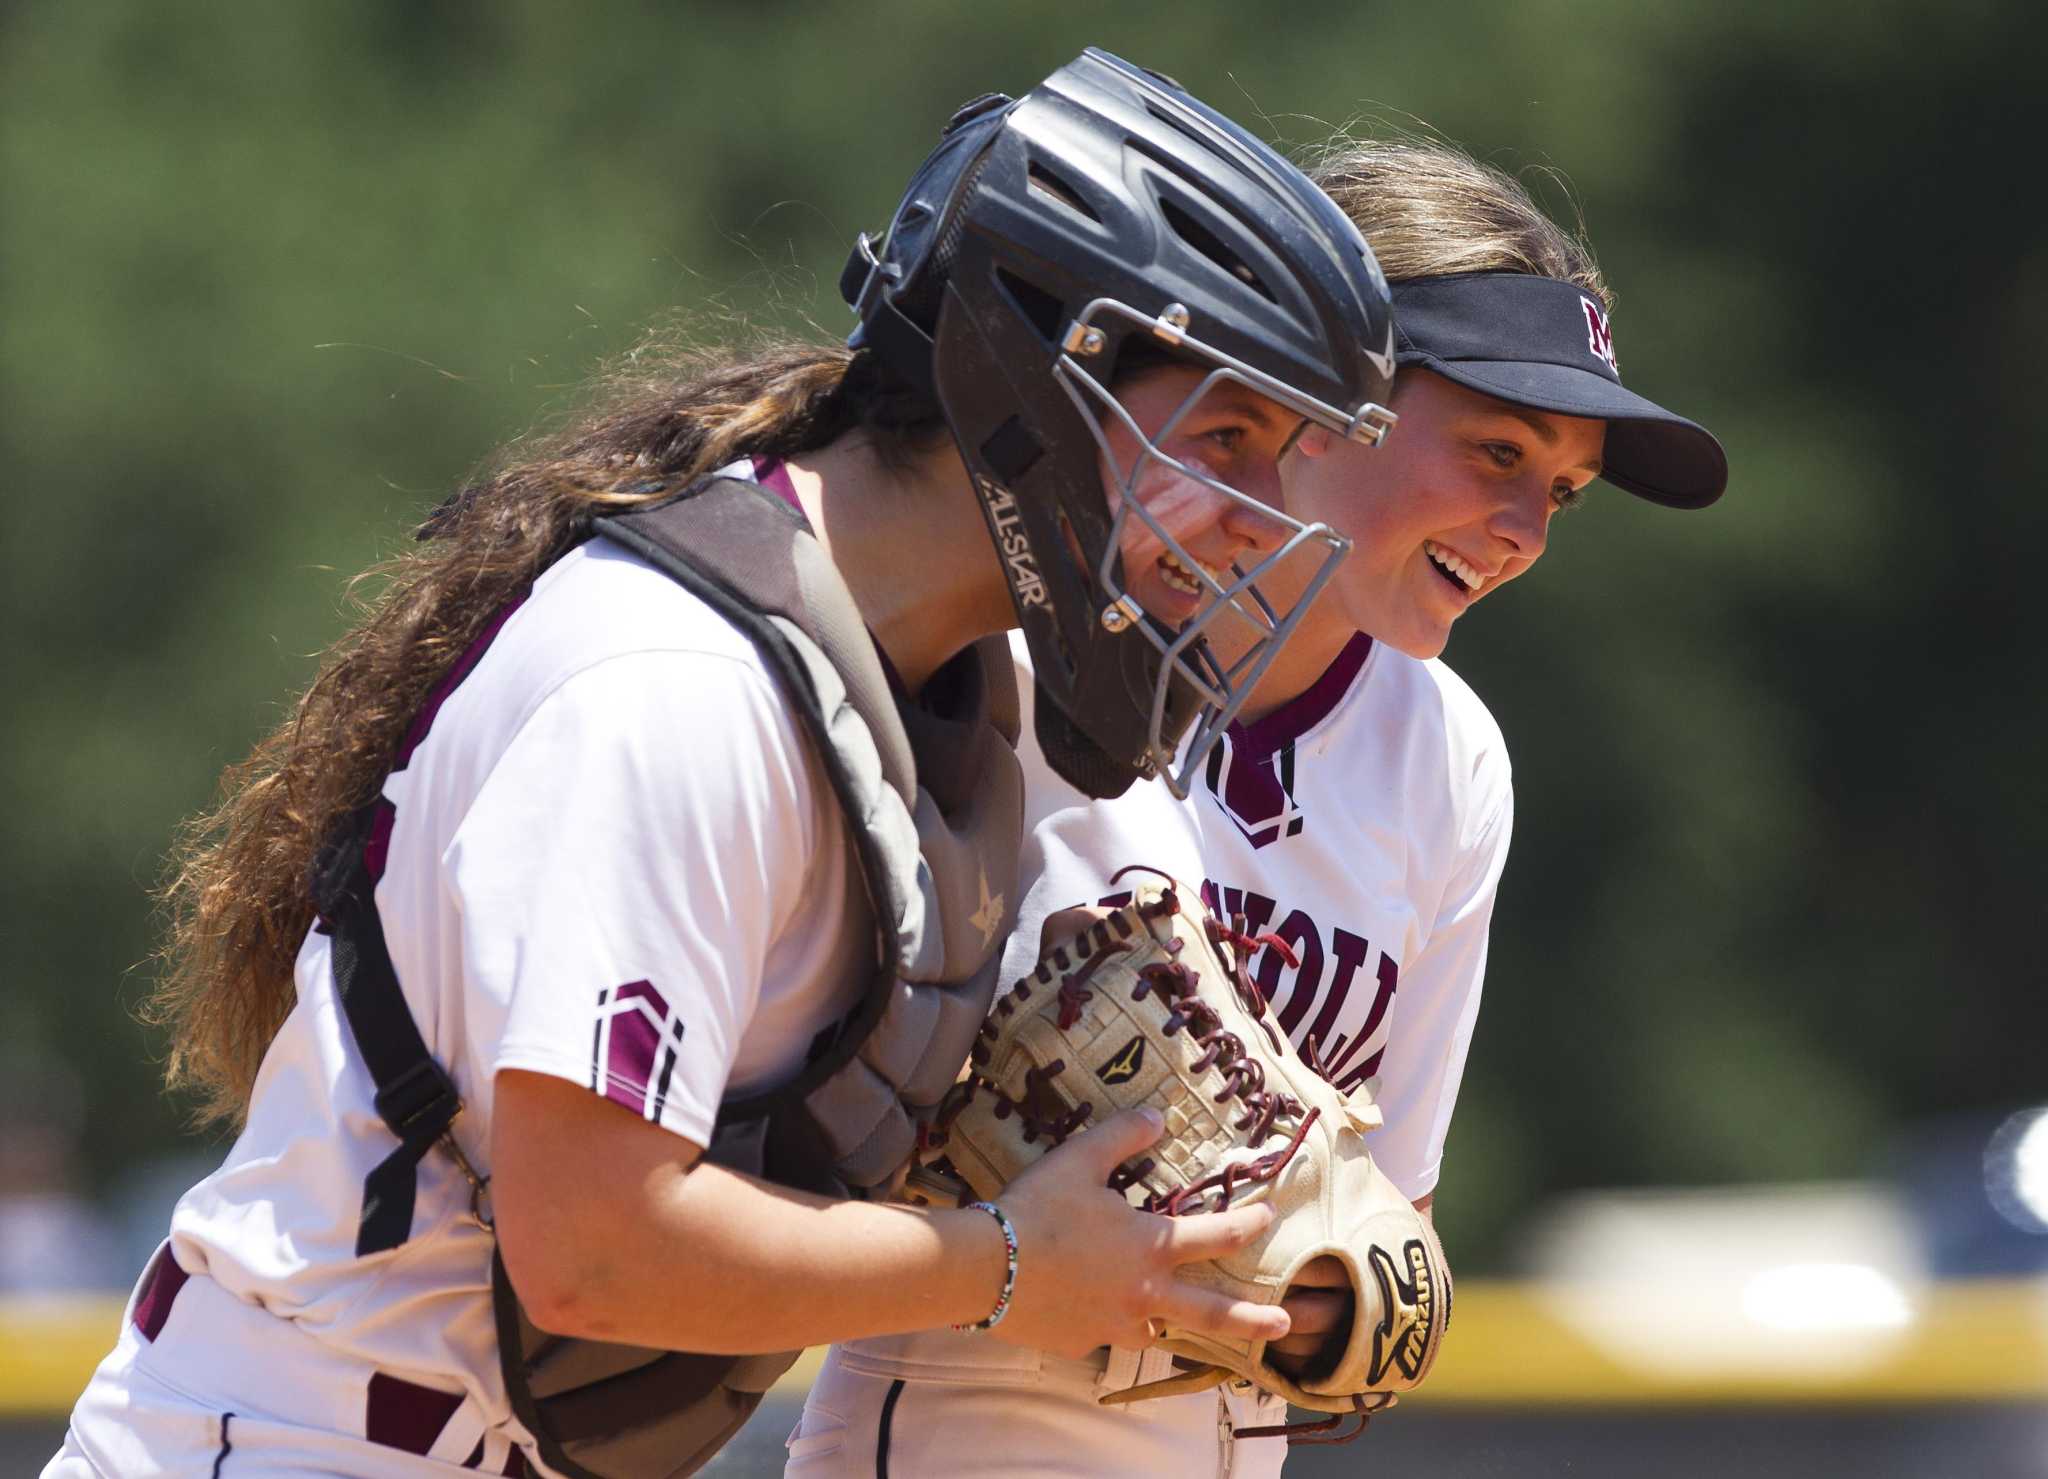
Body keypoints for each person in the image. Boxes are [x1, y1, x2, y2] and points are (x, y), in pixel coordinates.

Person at [45, 51, 1402, 1479]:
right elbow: (598, 1257)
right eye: (1229, 436)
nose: (1263, 514)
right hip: (292, 1441)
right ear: (1032, 386)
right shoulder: (676, 688)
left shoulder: (970, 693)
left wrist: (1284, 1248)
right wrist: (1005, 1263)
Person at [795, 137, 1728, 1475]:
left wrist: (1343, 1303)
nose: (1525, 525)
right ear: (1327, 390)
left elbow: (1386, 1216)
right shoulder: (1011, 657)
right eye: (1496, 448)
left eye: (1561, 492)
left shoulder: (1446, 758)